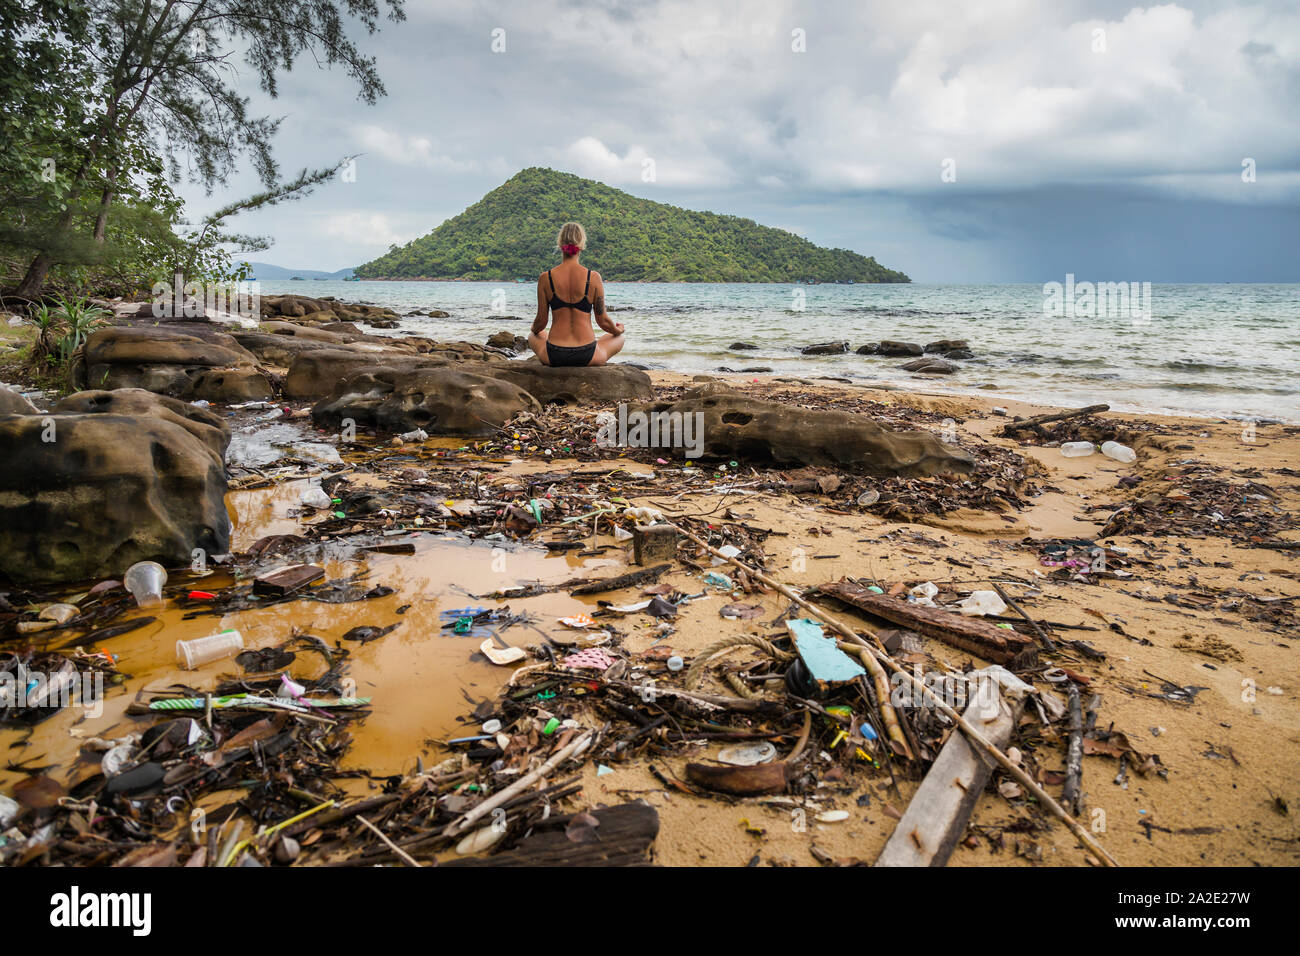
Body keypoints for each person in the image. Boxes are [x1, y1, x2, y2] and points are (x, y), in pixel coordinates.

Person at [528, 222, 625, 367]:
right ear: (581, 244)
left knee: (532, 336)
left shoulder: (545, 278)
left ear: (560, 244)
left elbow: (541, 322)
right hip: (587, 354)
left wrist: (533, 329)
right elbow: (603, 321)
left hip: (555, 355)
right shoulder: (593, 277)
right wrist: (618, 330)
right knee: (619, 338)